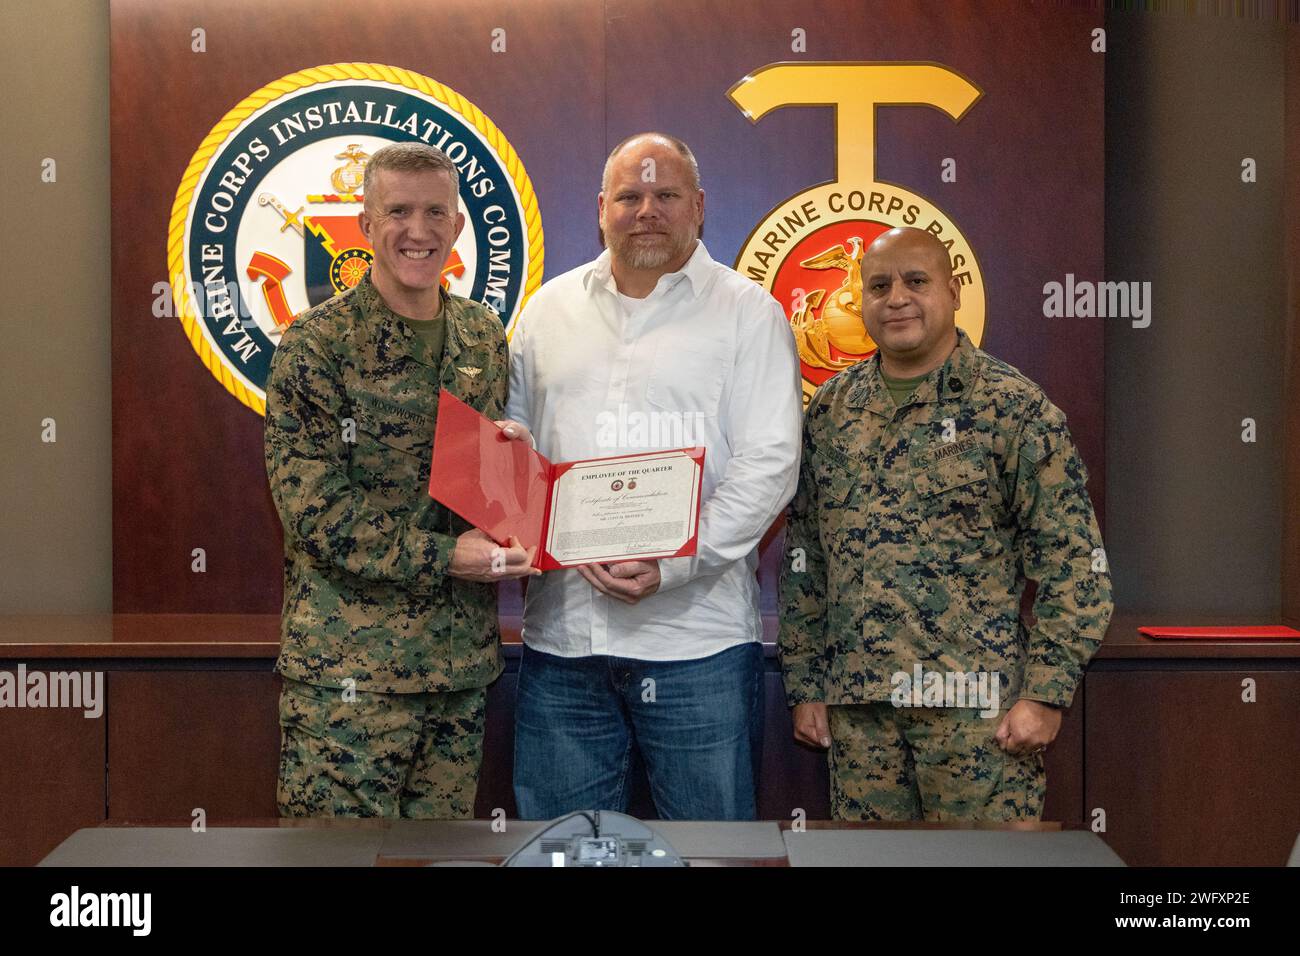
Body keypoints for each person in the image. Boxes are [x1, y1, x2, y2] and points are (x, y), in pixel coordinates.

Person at [503, 132, 802, 820]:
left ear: (697, 206)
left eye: (665, 195)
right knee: (561, 856)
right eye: (630, 196)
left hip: (696, 647)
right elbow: (516, 446)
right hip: (563, 645)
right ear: (600, 207)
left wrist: (674, 562)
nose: (647, 210)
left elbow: (770, 467)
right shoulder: (547, 311)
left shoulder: (749, 314)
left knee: (711, 853)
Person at [779, 226, 1113, 821]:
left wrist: (1045, 694)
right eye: (878, 286)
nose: (896, 298)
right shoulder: (831, 411)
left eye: (916, 281)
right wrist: (806, 687)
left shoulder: (1013, 407)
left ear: (954, 292)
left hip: (977, 719)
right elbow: (806, 561)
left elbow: (1075, 566)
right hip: (862, 722)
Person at [264, 142, 537, 819]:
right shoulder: (316, 344)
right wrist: (449, 557)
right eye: (398, 212)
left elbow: (477, 484)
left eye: (435, 212)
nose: (418, 231)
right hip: (349, 679)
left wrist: (518, 468)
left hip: (459, 674)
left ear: (458, 226)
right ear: (363, 224)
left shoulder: (481, 336)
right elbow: (315, 510)